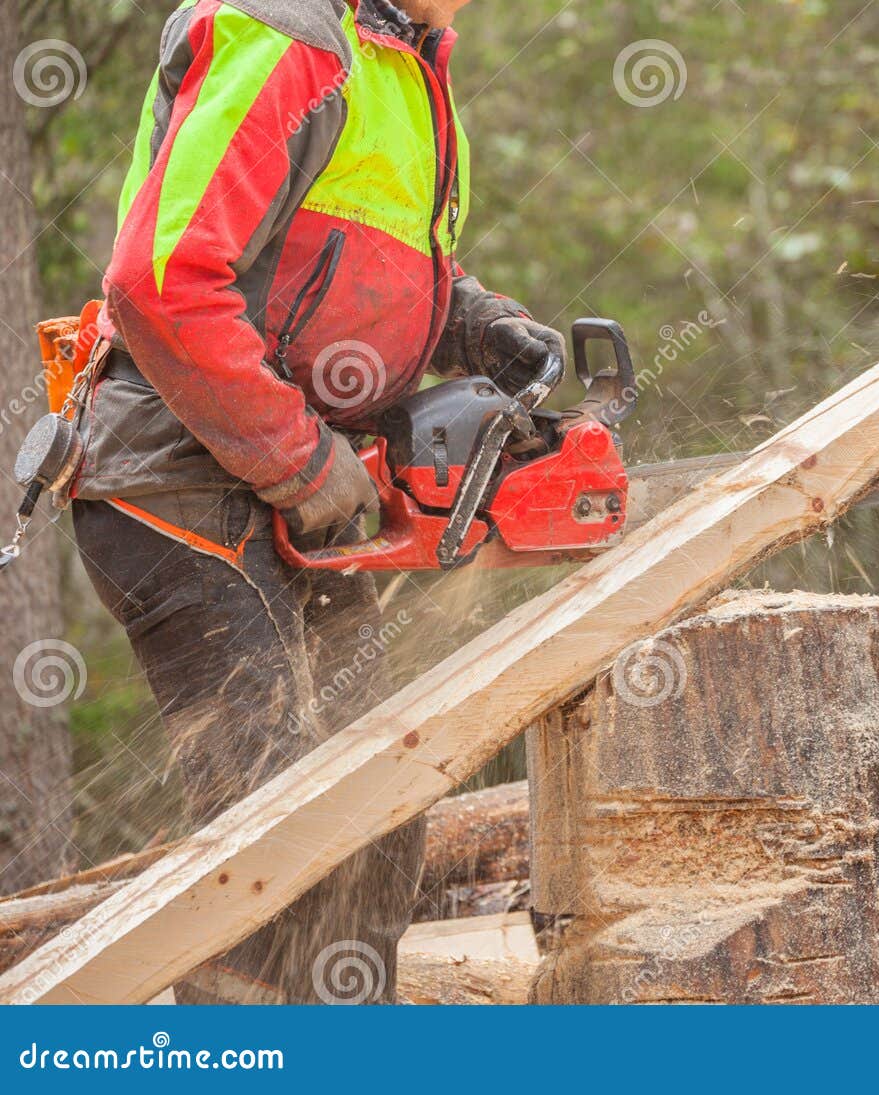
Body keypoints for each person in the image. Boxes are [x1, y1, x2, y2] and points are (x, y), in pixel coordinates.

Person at [72, 0, 557, 1003]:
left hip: (295, 491)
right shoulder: (290, 36)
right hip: (183, 481)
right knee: (281, 835)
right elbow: (160, 279)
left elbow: (356, 258)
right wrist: (298, 459)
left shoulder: (407, 62)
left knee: (376, 804)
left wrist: (478, 320)